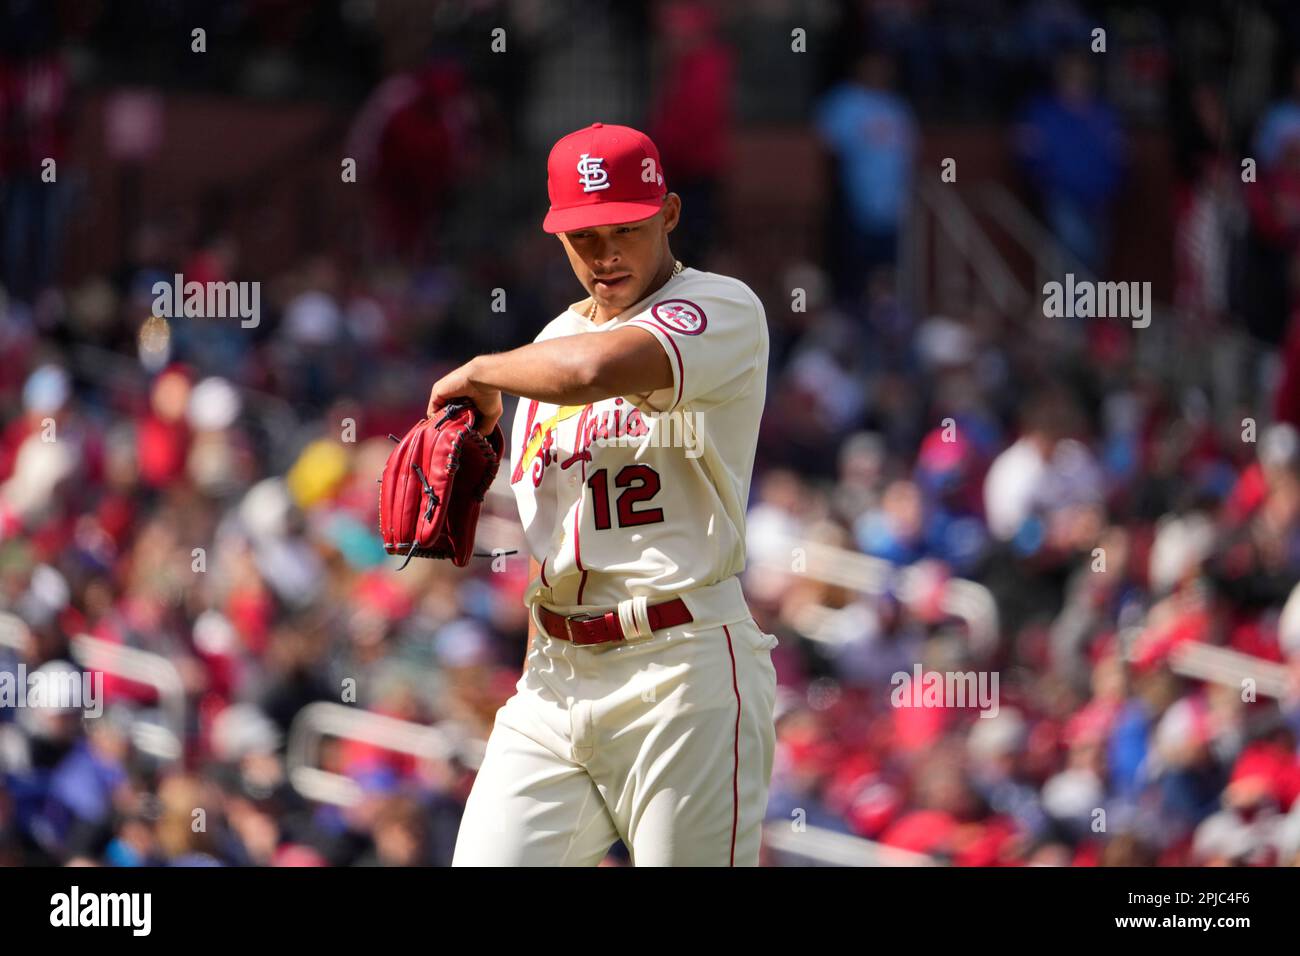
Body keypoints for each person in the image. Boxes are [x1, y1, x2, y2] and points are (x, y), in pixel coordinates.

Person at [426, 122, 776, 866]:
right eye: (584, 236)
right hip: (555, 678)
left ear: (670, 214)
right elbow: (546, 546)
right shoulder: (542, 351)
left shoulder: (719, 307)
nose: (606, 253)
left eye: (626, 228)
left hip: (681, 667)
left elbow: (593, 370)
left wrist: (485, 371)